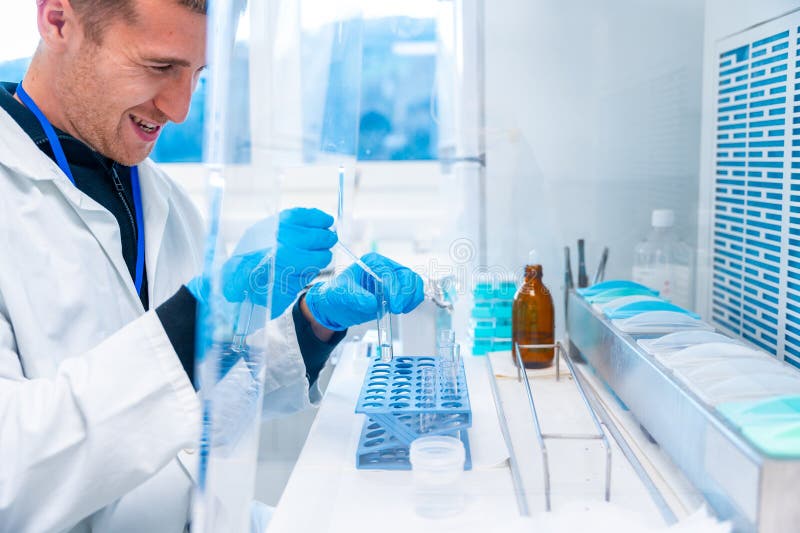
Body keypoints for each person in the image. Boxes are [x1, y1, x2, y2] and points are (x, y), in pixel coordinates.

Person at [0, 0, 424, 531]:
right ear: (57, 21)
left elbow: (194, 410)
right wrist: (199, 318)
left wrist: (311, 322)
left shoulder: (165, 200)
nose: (179, 109)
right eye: (160, 66)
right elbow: (11, 474)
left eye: (198, 75)